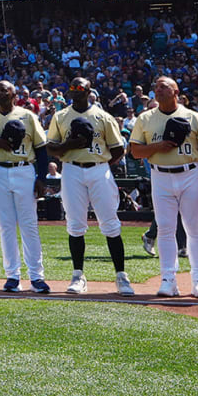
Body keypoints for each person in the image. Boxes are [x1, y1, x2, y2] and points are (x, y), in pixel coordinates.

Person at [128, 77, 198, 298]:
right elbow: (136, 151)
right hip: (160, 176)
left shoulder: (193, 117)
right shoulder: (145, 118)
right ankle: (168, 279)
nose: (158, 90)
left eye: (163, 87)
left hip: (190, 173)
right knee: (166, 229)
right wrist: (159, 146)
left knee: (195, 228)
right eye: (155, 87)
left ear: (176, 91)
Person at [43, 77, 127, 296]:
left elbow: (118, 149)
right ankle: (78, 275)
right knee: (75, 223)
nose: (75, 91)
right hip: (71, 168)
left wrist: (101, 164)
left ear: (89, 91)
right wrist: (68, 146)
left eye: (80, 88)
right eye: (72, 87)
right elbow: (50, 148)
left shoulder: (103, 116)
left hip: (99, 168)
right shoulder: (61, 116)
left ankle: (121, 276)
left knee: (110, 223)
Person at [0, 80, 47, 292]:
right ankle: (12, 276)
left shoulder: (28, 116)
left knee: (29, 224)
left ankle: (36, 276)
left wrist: (42, 178)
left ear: (14, 94)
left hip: (24, 168)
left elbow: (41, 148)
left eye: (4, 90)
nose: (0, 93)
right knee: (5, 225)